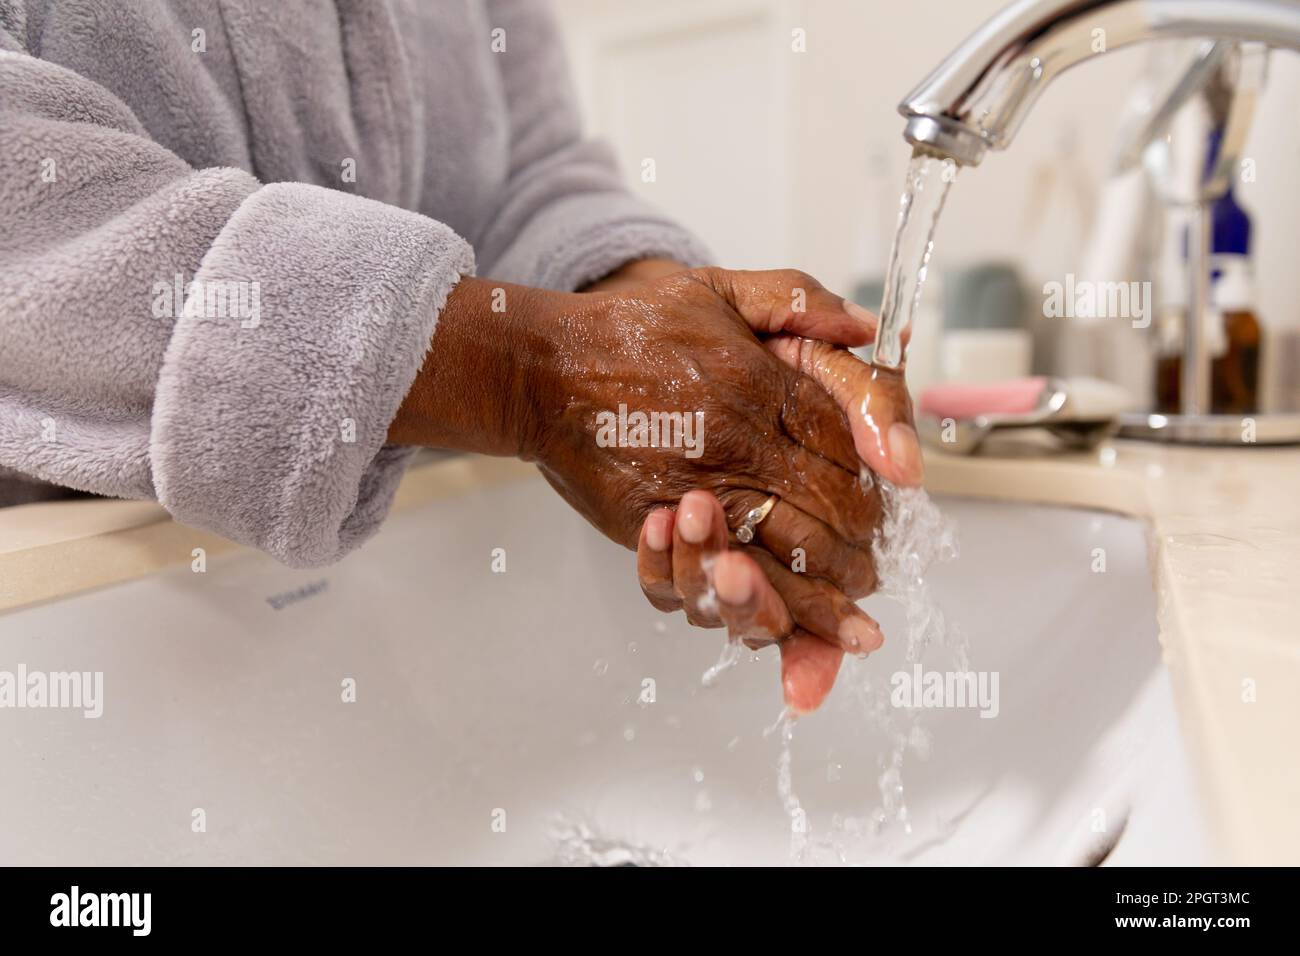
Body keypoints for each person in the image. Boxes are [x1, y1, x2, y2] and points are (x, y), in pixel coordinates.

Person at [0, 0, 922, 711]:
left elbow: (533, 169)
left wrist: (657, 329)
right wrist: (532, 373)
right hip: (67, 624)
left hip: (372, 608)